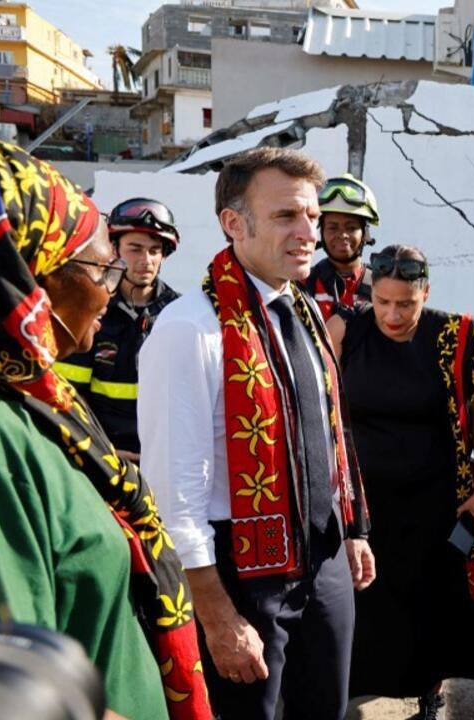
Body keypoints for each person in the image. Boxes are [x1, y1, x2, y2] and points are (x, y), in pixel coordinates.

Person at [0, 140, 208, 720]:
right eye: (101, 267)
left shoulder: (28, 399)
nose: (112, 286)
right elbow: (6, 699)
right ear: (28, 273)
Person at [138, 146, 376, 720]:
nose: (308, 234)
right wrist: (216, 614)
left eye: (312, 218)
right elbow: (174, 490)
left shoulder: (302, 311)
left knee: (327, 708)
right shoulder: (191, 329)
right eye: (286, 216)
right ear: (233, 223)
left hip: (324, 561)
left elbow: (327, 431)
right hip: (243, 574)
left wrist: (351, 528)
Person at [325, 244, 474, 719]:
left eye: (406, 304)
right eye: (382, 302)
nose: (392, 315)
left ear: (426, 293)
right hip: (363, 500)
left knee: (431, 599)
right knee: (364, 599)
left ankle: (429, 692)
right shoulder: (347, 328)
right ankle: (350, 686)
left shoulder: (456, 337)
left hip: (433, 498)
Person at [54, 197, 182, 460]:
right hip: (102, 456)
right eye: (135, 249)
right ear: (114, 249)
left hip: (162, 458)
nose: (146, 260)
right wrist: (98, 450)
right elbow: (67, 394)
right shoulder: (92, 310)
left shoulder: (178, 313)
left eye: (155, 250)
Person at [303, 174, 380, 322]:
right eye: (333, 228)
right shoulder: (303, 284)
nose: (342, 235)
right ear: (322, 232)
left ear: (365, 234)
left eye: (351, 227)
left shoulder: (382, 285)